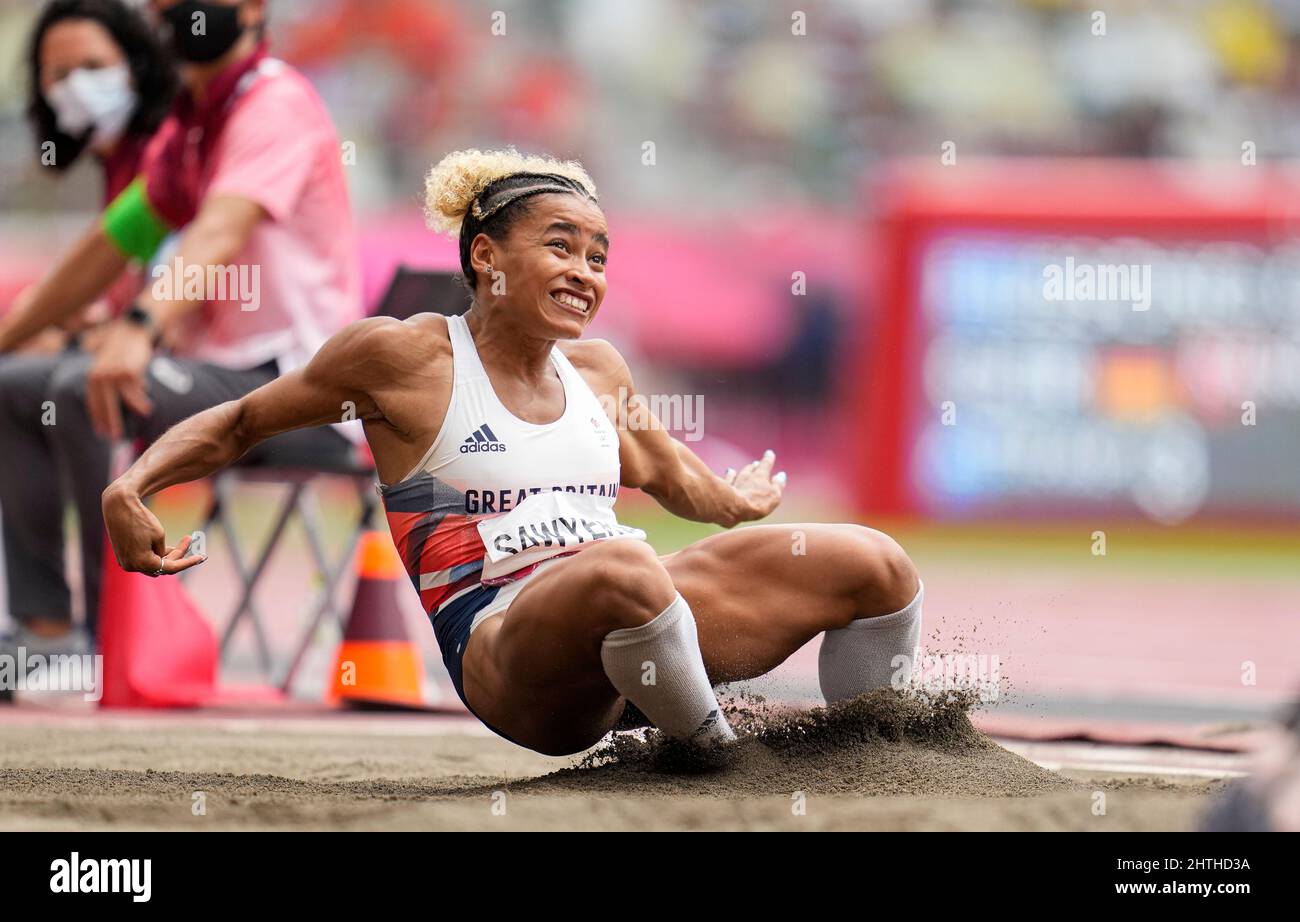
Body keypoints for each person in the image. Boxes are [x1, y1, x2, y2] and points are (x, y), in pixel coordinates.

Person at [102, 149, 922, 756]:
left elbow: (675, 480)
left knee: (872, 562)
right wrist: (132, 486)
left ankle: (877, 755)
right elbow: (241, 421)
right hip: (508, 655)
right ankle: (713, 756)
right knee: (624, 572)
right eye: (561, 246)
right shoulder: (404, 358)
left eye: (598, 257)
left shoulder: (600, 371)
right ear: (486, 257)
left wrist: (735, 501)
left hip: (641, 623)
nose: (585, 272)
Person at [0, 0, 359, 660]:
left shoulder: (275, 103)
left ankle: (121, 639)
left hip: (299, 388)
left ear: (253, 9)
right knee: (17, 386)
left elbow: (220, 229)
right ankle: (46, 634)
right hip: (216, 380)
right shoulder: (189, 126)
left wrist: (139, 325)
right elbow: (103, 250)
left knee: (86, 388)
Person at [14, 0, 177, 353]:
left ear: (136, 67)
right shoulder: (114, 163)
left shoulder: (163, 152)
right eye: (60, 75)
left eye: (93, 67)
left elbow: (174, 295)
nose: (78, 86)